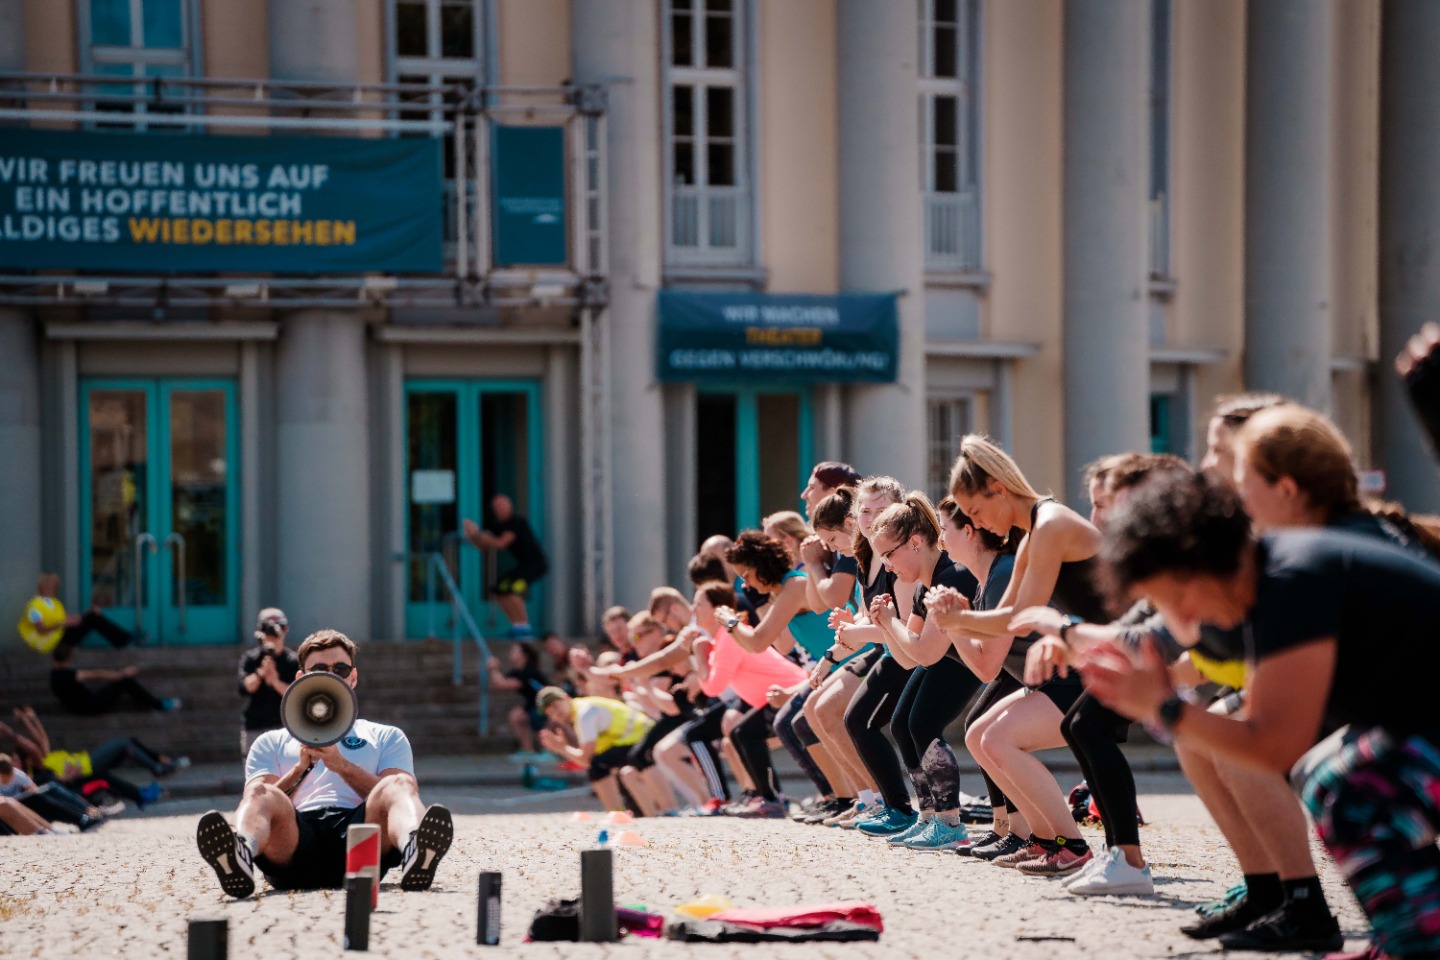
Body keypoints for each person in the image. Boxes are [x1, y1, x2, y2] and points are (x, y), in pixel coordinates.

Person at [1079, 469, 1440, 959]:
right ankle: (1407, 929)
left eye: (1174, 598)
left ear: (1199, 565)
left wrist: (1164, 709)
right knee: (1331, 773)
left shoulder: (1293, 581)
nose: (1181, 620)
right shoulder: (1273, 575)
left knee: (1351, 788)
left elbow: (1273, 746)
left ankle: (1417, 945)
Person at [929, 434, 1108, 877]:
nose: (980, 524)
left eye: (975, 511)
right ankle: (1046, 839)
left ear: (998, 489)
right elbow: (1007, 615)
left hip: (1102, 667)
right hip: (1073, 663)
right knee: (979, 735)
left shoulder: (1049, 525)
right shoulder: (1032, 531)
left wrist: (959, 623)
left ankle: (1071, 845)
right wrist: (958, 619)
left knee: (998, 739)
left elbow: (1021, 620)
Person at [196, 629, 453, 898]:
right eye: (319, 669)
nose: (330, 676)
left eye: (339, 668)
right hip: (293, 843)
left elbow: (393, 797)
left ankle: (415, 848)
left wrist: (342, 766)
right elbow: (261, 806)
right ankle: (240, 854)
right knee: (260, 791)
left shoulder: (386, 736)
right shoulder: (269, 741)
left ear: (353, 677)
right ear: (300, 678)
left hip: (362, 839)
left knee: (399, 783)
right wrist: (300, 770)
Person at [866, 494, 982, 850]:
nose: (886, 566)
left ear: (915, 543)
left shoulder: (951, 577)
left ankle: (950, 823)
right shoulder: (922, 588)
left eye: (888, 555)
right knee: (902, 724)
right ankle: (928, 816)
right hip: (947, 659)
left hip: (969, 660)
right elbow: (906, 658)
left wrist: (890, 622)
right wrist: (886, 626)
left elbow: (926, 652)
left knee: (922, 725)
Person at [537, 686, 656, 814]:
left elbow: (586, 760)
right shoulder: (582, 709)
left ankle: (616, 813)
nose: (555, 713)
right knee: (603, 764)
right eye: (550, 712)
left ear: (566, 697)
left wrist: (563, 748)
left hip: (643, 737)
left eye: (555, 706)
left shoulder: (584, 714)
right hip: (637, 737)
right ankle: (629, 811)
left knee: (598, 765)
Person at [462, 493, 548, 639]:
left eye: (502, 506)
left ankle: (525, 628)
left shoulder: (517, 522)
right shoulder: (500, 526)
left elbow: (500, 543)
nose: (499, 509)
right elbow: (485, 547)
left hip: (536, 566)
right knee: (500, 590)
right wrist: (474, 537)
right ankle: (517, 626)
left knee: (512, 589)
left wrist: (478, 533)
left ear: (510, 506)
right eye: (496, 507)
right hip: (523, 566)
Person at [18, 573, 133, 656]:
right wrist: (61, 624)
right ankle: (125, 641)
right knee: (93, 618)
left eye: (53, 585)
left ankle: (124, 640)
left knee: (94, 617)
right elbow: (41, 630)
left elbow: (71, 619)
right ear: (41, 587)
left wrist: (89, 612)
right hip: (51, 642)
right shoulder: (34, 606)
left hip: (61, 635)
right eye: (47, 585)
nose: (50, 587)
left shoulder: (55, 603)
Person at [49, 644, 179, 715]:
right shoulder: (65, 675)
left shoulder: (54, 675)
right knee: (126, 682)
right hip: (90, 706)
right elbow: (93, 674)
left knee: (117, 684)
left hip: (82, 705)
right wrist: (122, 673)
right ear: (69, 658)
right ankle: (158, 705)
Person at [238, 607, 300, 757]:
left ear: (286, 629)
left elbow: (297, 695)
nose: (273, 633)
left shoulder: (293, 660)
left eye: (280, 627)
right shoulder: (251, 658)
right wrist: (261, 673)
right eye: (268, 628)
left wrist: (275, 681)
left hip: (285, 725)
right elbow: (244, 688)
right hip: (256, 725)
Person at [486, 641, 552, 757]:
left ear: (524, 655)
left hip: (547, 704)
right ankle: (527, 750)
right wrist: (493, 670)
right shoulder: (516, 671)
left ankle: (548, 752)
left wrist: (494, 669)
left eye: (514, 650)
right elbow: (497, 685)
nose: (510, 653)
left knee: (539, 722)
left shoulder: (528, 671)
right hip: (533, 703)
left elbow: (503, 684)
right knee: (516, 717)